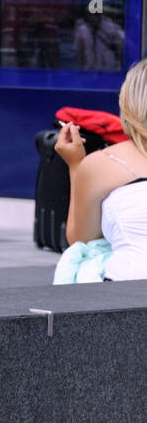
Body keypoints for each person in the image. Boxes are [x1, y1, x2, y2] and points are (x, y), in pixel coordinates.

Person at [55, 59, 147, 281]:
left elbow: (82, 239)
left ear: (129, 105)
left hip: (128, 299)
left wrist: (76, 165)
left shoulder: (104, 164)